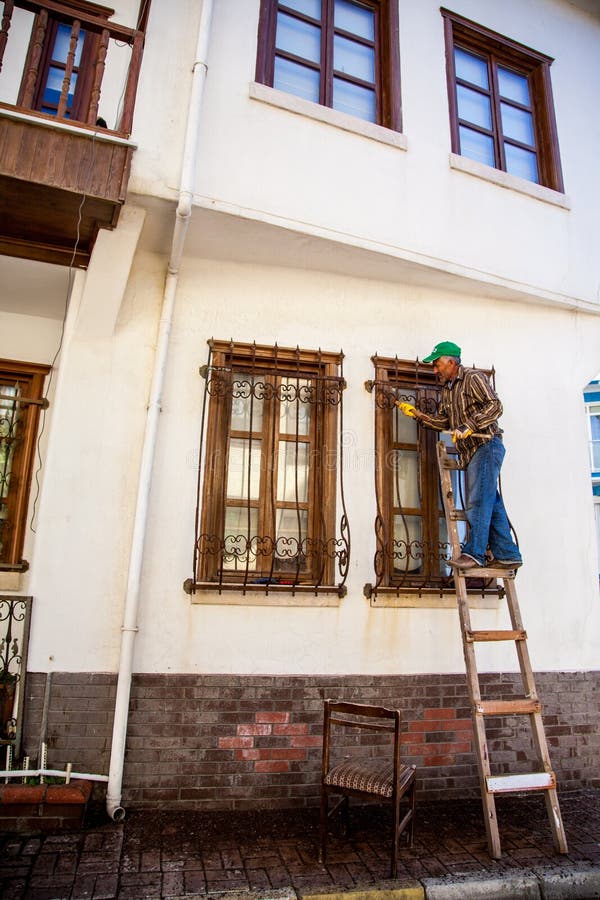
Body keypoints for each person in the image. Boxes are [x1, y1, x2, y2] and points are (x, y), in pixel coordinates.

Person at [397, 340, 522, 571]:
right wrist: (417, 414)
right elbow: (444, 422)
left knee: (477, 501)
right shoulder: (447, 390)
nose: (435, 370)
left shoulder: (473, 378)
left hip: (486, 445)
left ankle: (474, 554)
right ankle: (508, 554)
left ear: (451, 362)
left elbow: (495, 406)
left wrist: (469, 426)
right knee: (491, 502)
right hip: (472, 452)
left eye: (437, 365)